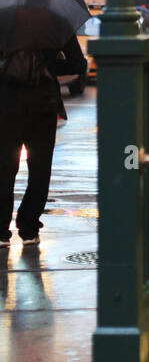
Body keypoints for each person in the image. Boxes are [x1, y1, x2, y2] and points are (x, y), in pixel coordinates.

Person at [0, 32, 87, 246]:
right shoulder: (54, 22)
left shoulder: (4, 18)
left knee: (3, 167)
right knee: (40, 167)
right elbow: (78, 64)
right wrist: (48, 66)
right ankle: (29, 227)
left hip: (6, 103)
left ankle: (1, 230)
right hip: (43, 103)